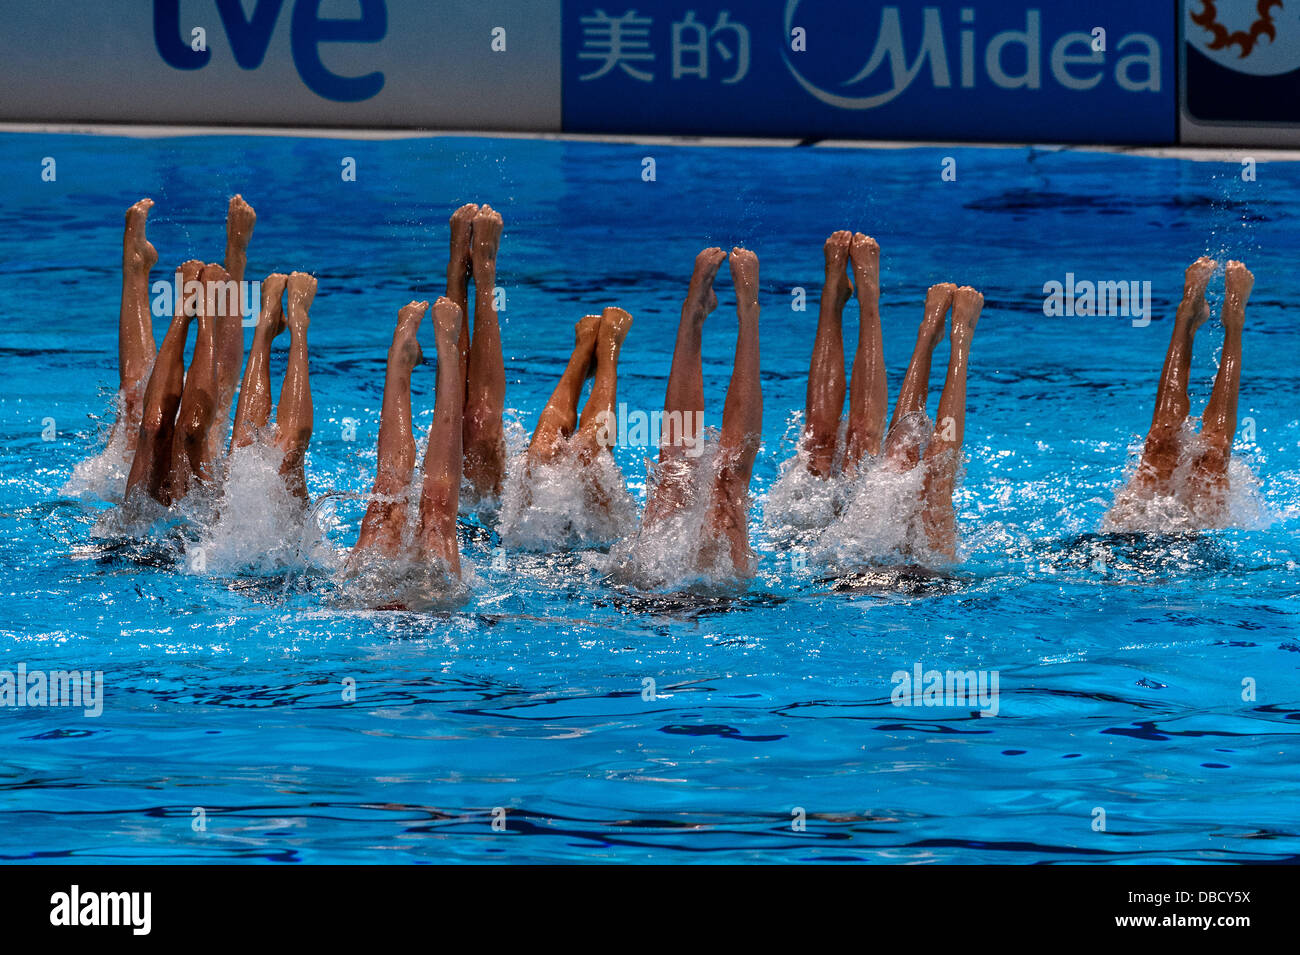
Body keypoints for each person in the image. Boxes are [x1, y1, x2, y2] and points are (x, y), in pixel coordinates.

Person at [626, 246, 763, 582]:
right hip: (690, 598)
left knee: (676, 468)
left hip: (660, 596)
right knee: (728, 480)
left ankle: (696, 315)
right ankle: (746, 315)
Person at [1106, 257, 1253, 528]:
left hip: (1152, 546)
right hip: (1163, 549)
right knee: (1207, 450)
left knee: (1162, 439)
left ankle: (1199, 315)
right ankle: (1226, 319)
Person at [350, 297, 466, 583]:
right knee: (436, 518)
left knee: (387, 500)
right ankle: (447, 353)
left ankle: (409, 354)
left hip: (368, 602)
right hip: (426, 604)